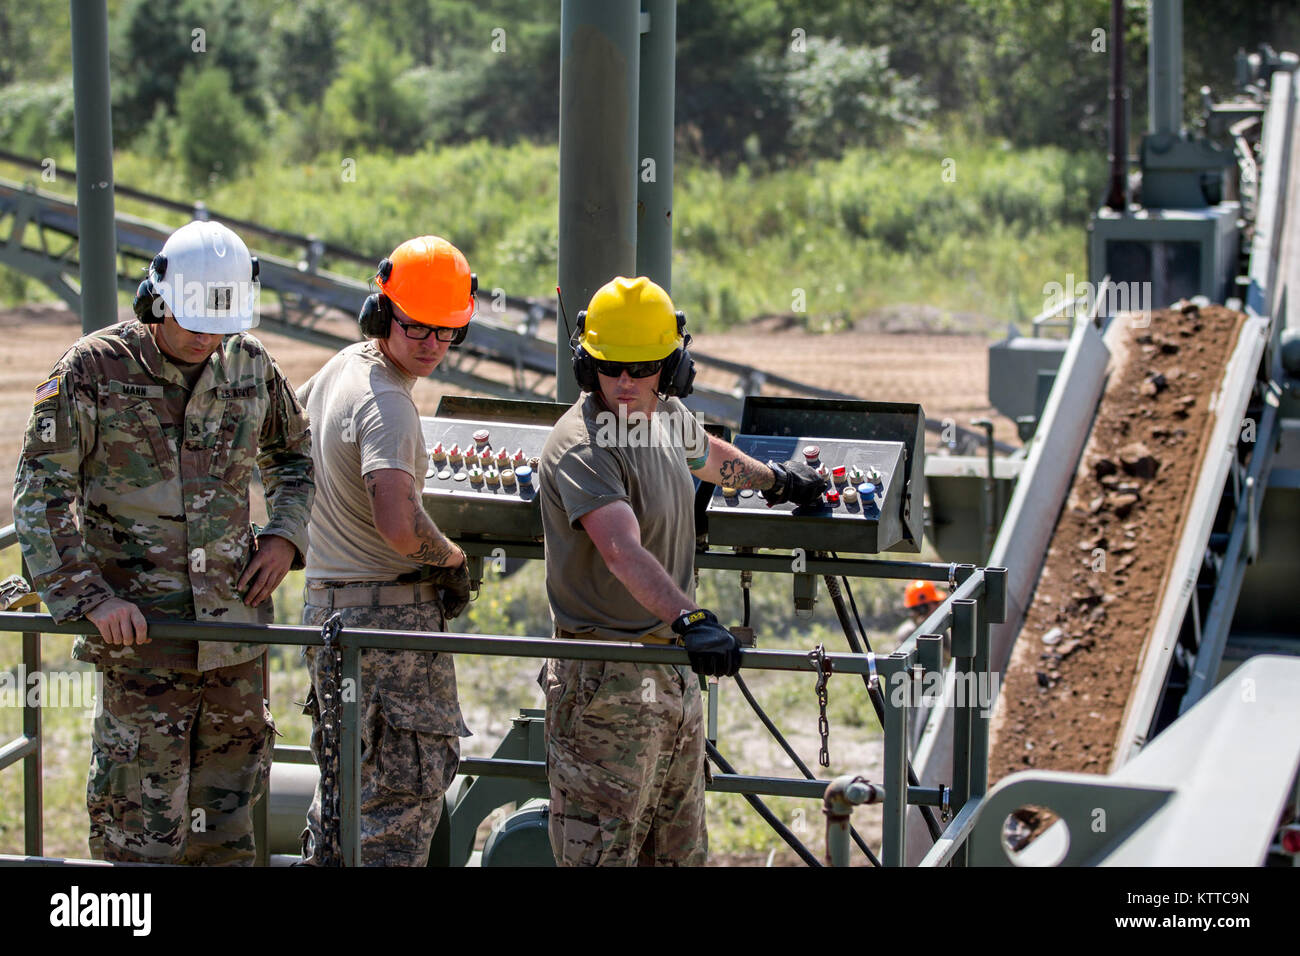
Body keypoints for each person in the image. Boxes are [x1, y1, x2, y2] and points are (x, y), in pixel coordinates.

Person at [12, 220, 314, 864]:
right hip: (142, 646)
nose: (206, 336)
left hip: (235, 644)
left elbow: (292, 454)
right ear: (156, 299)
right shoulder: (93, 370)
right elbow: (40, 492)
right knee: (140, 840)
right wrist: (89, 598)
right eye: (193, 320)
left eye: (220, 323)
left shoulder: (250, 364)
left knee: (228, 838)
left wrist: (286, 535)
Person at [538, 275, 828, 866]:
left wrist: (780, 482)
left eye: (642, 368)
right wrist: (691, 615)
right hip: (605, 679)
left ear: (671, 369)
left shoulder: (665, 415)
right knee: (602, 854)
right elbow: (621, 550)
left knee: (677, 852)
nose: (624, 382)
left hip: (670, 669)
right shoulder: (583, 446)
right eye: (609, 366)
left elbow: (710, 457)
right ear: (584, 364)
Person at [296, 235, 476, 866]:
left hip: (328, 614)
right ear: (382, 314)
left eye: (446, 332)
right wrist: (451, 559)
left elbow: (288, 451)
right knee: (398, 808)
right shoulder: (389, 405)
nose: (430, 343)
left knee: (342, 801)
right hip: (389, 624)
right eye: (416, 327)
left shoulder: (339, 371)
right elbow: (399, 525)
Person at [893, 579, 948, 644]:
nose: (939, 605)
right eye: (935, 602)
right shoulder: (907, 633)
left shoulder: (939, 628)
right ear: (923, 608)